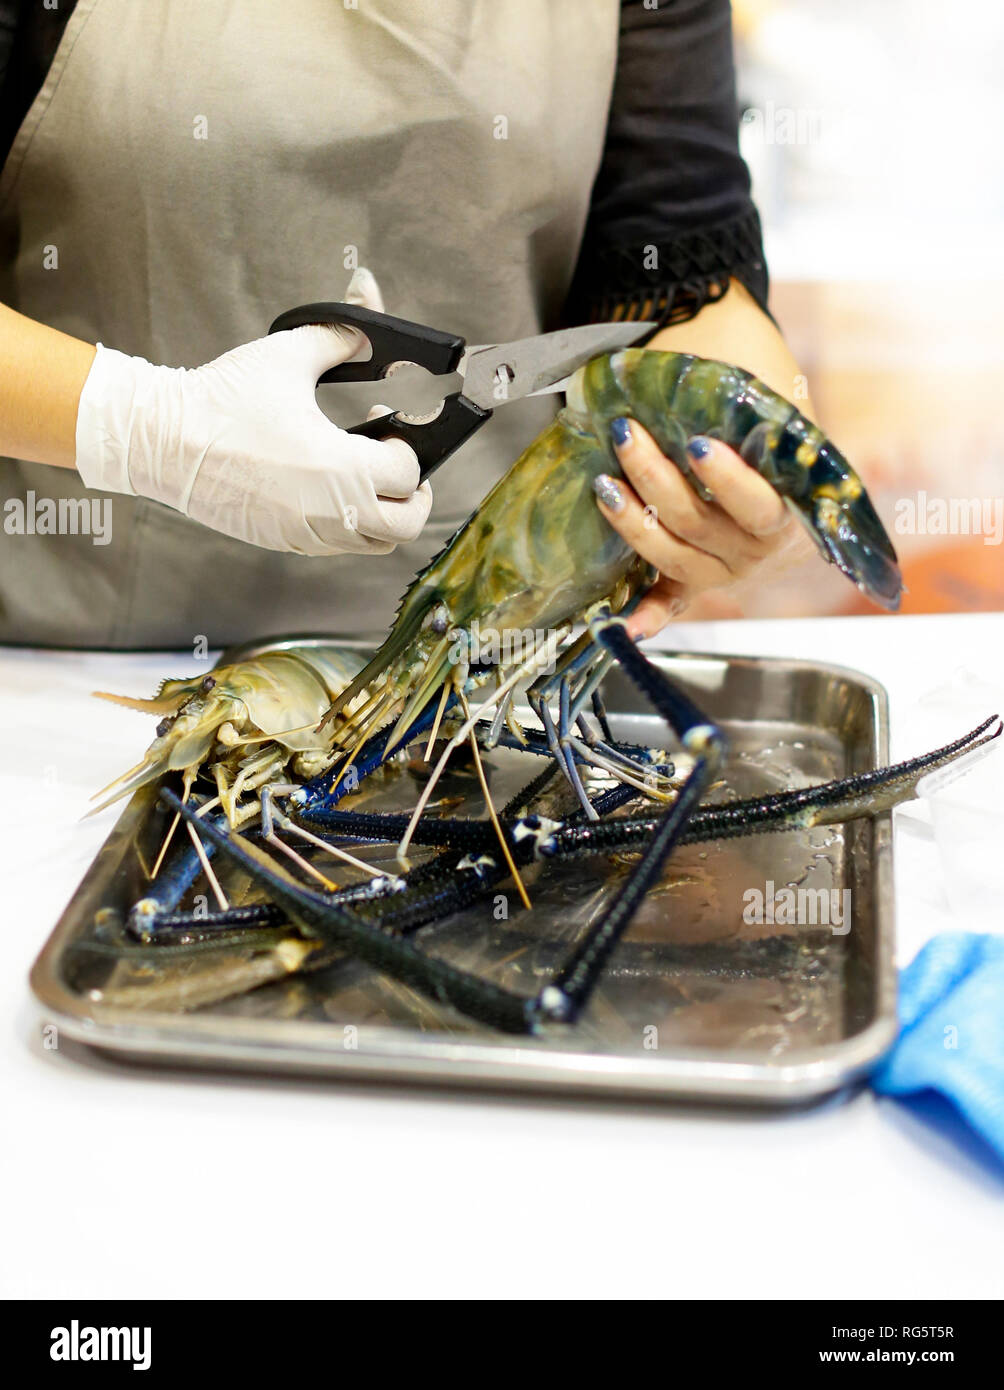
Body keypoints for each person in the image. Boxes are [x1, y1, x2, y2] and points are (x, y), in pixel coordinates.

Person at [0, 0, 810, 649]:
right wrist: (148, 427)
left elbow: (684, 274)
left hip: (494, 665)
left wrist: (740, 451)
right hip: (72, 667)